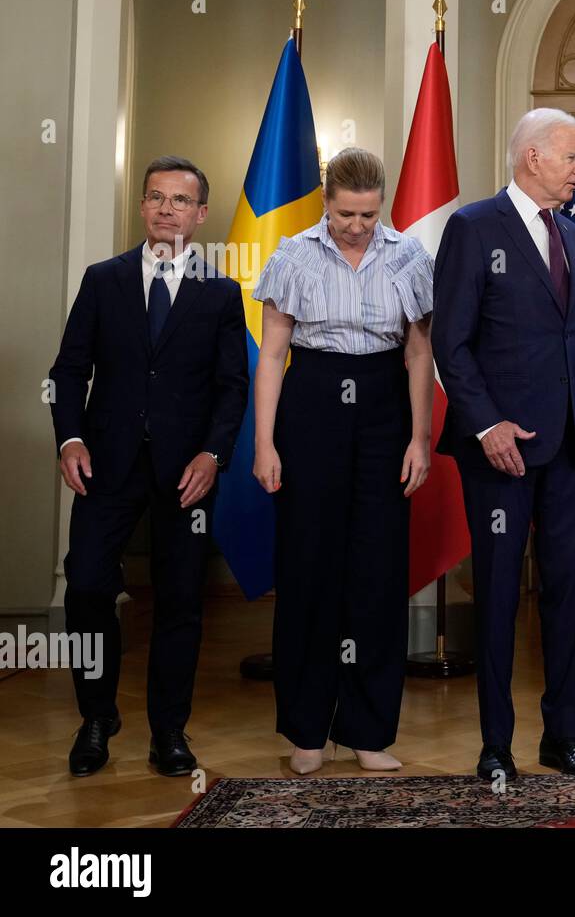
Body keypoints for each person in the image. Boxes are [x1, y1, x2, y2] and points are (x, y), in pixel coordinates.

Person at [431, 108, 575, 781]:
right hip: (501, 455)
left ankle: (563, 735)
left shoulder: (573, 235)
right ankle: (496, 743)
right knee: (501, 594)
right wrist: (486, 424)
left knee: (568, 591)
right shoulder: (473, 228)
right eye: (570, 157)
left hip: (571, 450)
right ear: (532, 157)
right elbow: (450, 343)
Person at [50, 155, 249, 777]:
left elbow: (232, 387)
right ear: (141, 207)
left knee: (182, 600)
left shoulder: (220, 292)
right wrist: (70, 440)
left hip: (185, 474)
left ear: (201, 214)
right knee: (86, 585)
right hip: (105, 466)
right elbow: (67, 372)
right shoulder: (101, 280)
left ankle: (169, 729)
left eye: (181, 201)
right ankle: (95, 717)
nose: (168, 210)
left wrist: (213, 455)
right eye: (157, 199)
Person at [252, 147, 434, 775]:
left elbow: (418, 354)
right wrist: (264, 443)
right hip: (312, 404)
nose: (357, 226)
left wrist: (419, 437)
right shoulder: (294, 254)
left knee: (377, 572)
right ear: (325, 201)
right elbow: (273, 355)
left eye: (368, 214)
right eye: (346, 213)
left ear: (381, 204)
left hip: (386, 407)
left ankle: (368, 730)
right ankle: (306, 731)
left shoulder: (409, 254)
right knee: (309, 567)